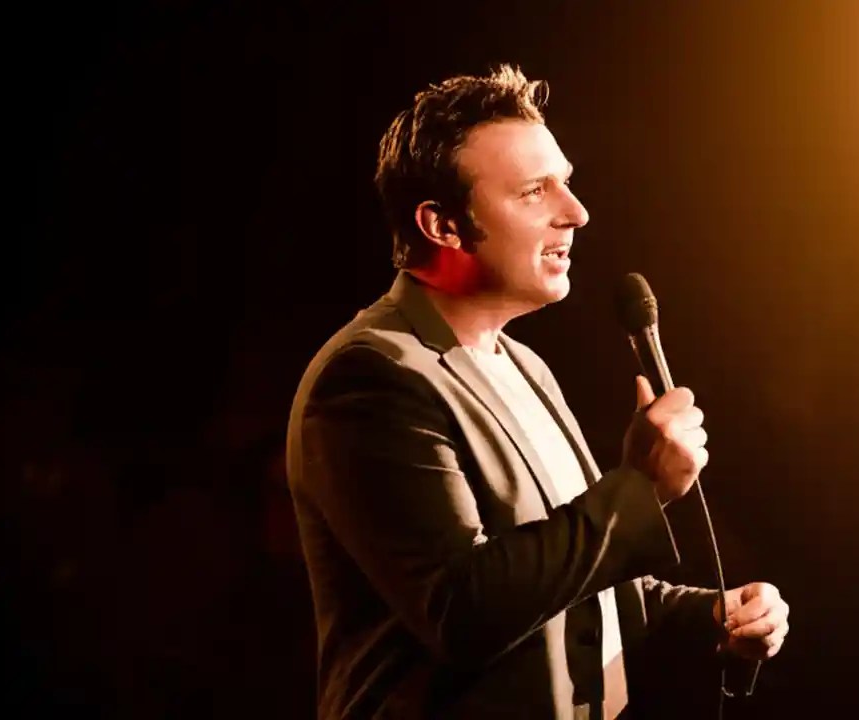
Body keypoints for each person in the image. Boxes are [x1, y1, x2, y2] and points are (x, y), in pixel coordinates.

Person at [285, 65, 789, 719]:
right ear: (441, 224)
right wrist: (641, 490)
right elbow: (461, 612)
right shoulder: (371, 379)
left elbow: (569, 589)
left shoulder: (524, 366)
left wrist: (710, 615)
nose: (575, 213)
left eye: (567, 184)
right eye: (533, 192)